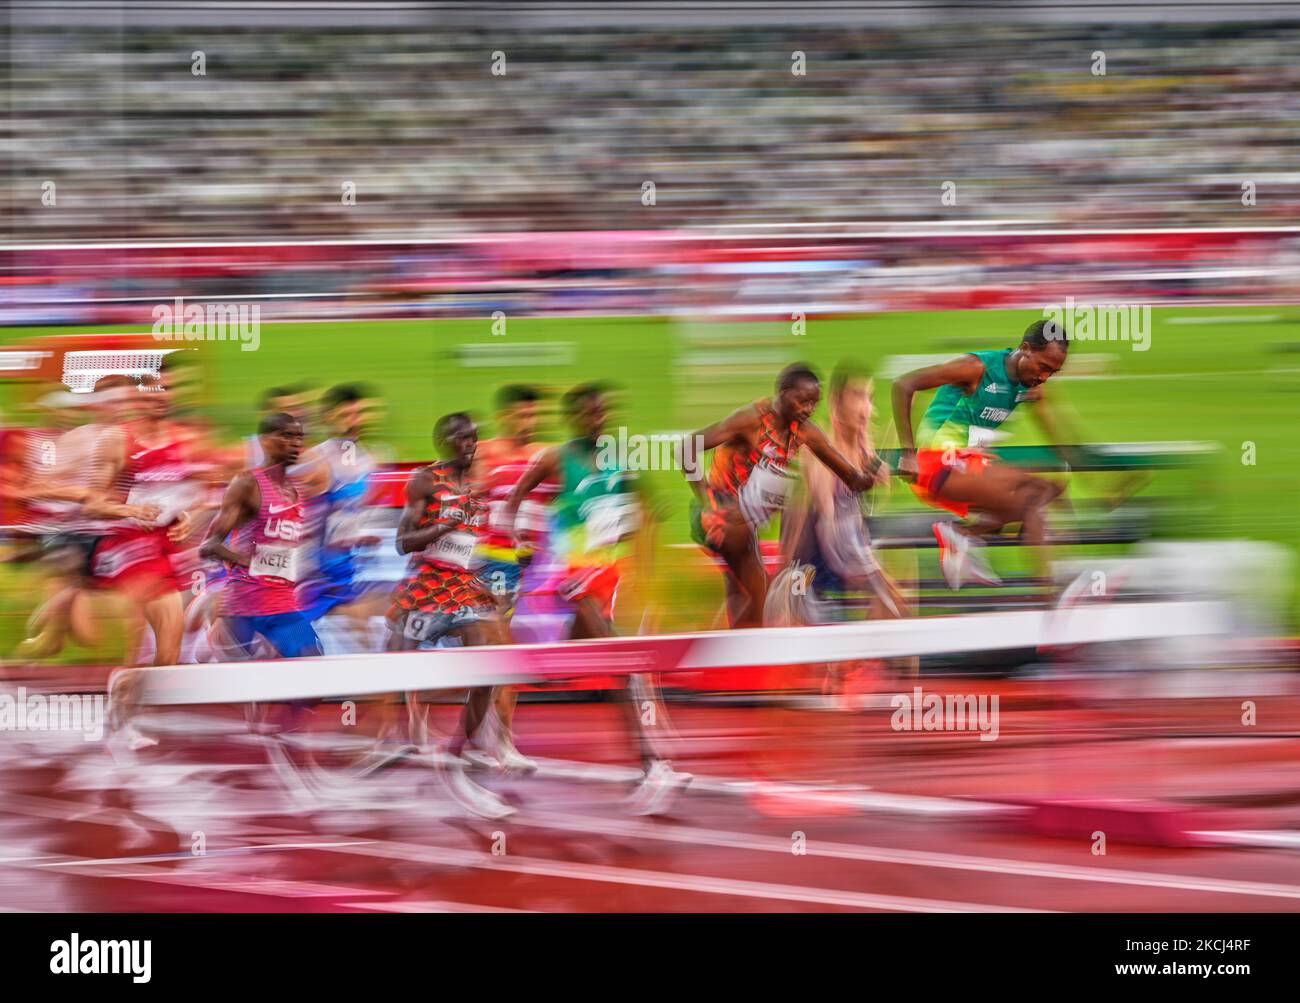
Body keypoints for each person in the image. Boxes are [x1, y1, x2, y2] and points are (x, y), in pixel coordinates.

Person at [506, 383, 689, 815]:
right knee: (625, 666)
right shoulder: (557, 458)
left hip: (612, 578)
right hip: (576, 577)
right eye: (591, 413)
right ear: (575, 418)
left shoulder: (620, 458)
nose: (599, 419)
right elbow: (517, 494)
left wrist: (645, 553)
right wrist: (516, 532)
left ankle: (495, 709)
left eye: (604, 412)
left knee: (560, 669)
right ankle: (653, 766)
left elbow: (644, 507)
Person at [686, 363, 888, 628]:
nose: (807, 409)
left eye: (814, 404)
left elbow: (850, 476)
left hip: (747, 521)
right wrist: (708, 500)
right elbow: (687, 447)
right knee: (760, 598)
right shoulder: (751, 420)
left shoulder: (804, 431)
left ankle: (732, 658)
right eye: (802, 401)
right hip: (718, 518)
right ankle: (735, 656)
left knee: (745, 596)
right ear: (782, 393)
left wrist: (868, 476)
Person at [386, 411, 517, 819]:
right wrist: (442, 527)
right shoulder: (425, 480)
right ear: (444, 442)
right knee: (393, 664)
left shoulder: (478, 492)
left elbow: (470, 551)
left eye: (474, 437)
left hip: (461, 587)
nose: (470, 444)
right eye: (461, 439)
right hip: (424, 587)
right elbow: (403, 542)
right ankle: (395, 736)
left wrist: (490, 590)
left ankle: (458, 751)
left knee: (489, 666)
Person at [891, 319, 1070, 589]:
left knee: (1050, 488)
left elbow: (1057, 433)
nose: (1044, 377)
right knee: (1033, 499)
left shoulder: (1030, 387)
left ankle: (963, 535)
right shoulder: (977, 368)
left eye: (1053, 373)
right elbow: (904, 384)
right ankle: (1048, 593)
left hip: (969, 465)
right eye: (1043, 367)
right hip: (937, 464)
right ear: (1025, 349)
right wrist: (908, 453)